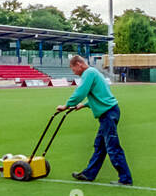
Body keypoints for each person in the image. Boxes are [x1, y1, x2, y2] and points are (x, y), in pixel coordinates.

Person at [57, 55, 133, 186]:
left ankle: (125, 179)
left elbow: (81, 92)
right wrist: (84, 105)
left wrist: (66, 105)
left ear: (79, 64)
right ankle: (89, 174)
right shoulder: (93, 72)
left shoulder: (88, 73)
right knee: (100, 146)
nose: (73, 72)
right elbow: (99, 94)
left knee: (112, 147)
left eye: (73, 68)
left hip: (108, 113)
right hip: (109, 112)